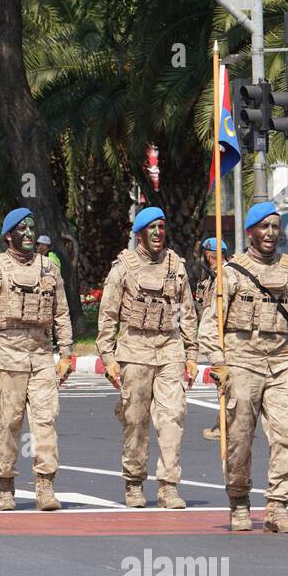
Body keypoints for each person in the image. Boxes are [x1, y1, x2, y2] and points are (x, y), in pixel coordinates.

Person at [198, 201, 288, 533]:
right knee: (240, 440)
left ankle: (277, 508)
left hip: (280, 364)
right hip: (242, 363)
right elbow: (210, 324)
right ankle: (239, 503)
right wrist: (218, 362)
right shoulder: (231, 271)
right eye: (264, 227)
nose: (271, 233)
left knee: (286, 435)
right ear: (250, 231)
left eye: (275, 227)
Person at [0, 207, 73, 511]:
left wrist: (66, 353)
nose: (28, 234)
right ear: (8, 235)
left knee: (45, 421)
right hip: (6, 353)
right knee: (7, 423)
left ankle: (45, 487)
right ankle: (5, 486)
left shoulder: (49, 269)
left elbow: (62, 313)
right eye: (21, 229)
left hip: (41, 354)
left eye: (31, 227)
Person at [96, 206, 198, 509]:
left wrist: (192, 353)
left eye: (162, 227)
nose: (158, 233)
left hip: (169, 350)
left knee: (171, 419)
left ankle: (168, 486)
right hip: (134, 352)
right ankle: (134, 483)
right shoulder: (123, 268)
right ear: (140, 233)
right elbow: (108, 315)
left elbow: (187, 312)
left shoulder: (176, 266)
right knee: (135, 421)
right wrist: (108, 357)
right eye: (151, 228)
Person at [196, 238, 228, 441]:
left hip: (222, 340)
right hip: (222, 338)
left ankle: (225, 428)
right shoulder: (215, 276)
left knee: (224, 385)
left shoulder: (223, 277)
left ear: (209, 254)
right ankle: (223, 425)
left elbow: (213, 315)